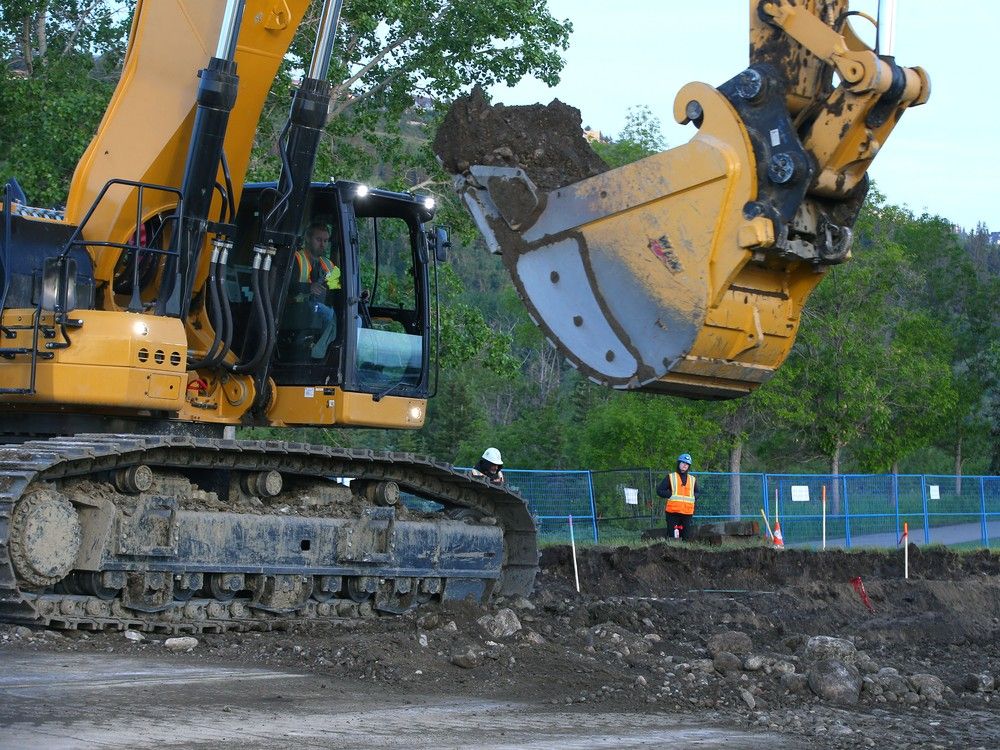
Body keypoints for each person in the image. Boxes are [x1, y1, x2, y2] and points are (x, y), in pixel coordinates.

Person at [292, 221, 341, 322]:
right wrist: (309, 287)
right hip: (295, 313)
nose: (322, 244)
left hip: (317, 316)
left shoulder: (329, 264)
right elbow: (286, 286)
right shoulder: (295, 259)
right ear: (307, 238)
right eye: (318, 240)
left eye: (325, 241)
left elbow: (336, 292)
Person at [656, 452, 700, 541]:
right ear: (679, 463)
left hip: (687, 513)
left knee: (686, 537)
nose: (685, 465)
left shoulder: (692, 479)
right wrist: (670, 494)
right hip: (673, 513)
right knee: (673, 537)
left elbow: (697, 492)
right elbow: (660, 490)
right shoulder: (671, 477)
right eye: (683, 463)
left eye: (687, 464)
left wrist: (694, 497)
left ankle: (684, 549)